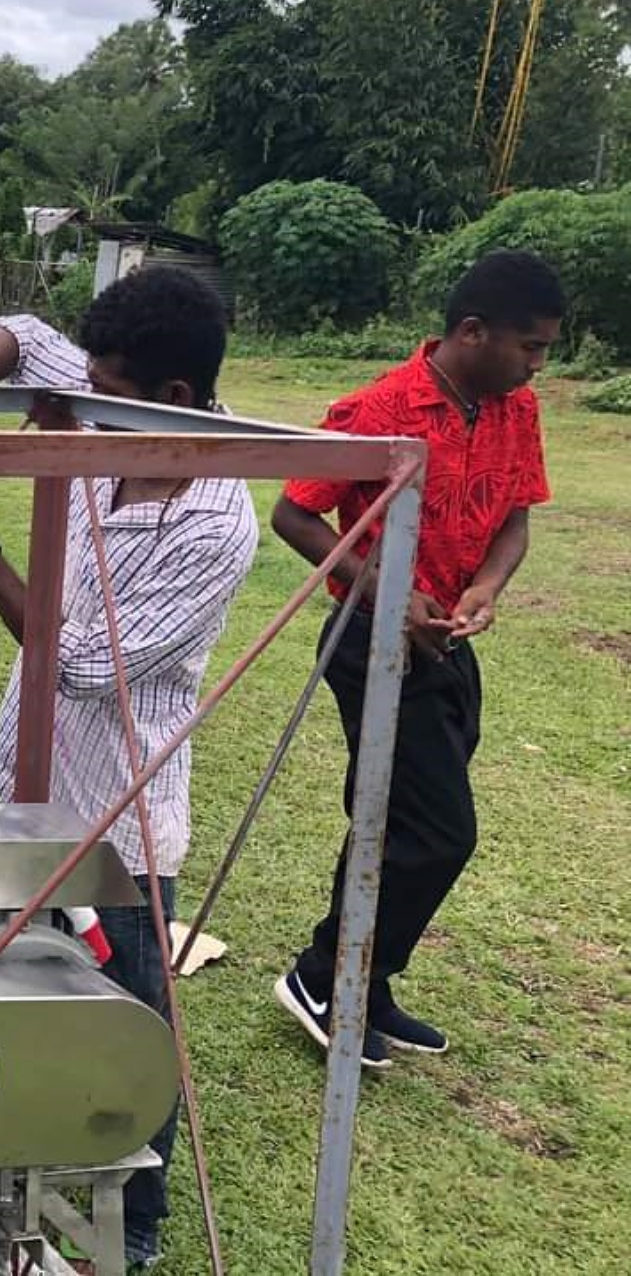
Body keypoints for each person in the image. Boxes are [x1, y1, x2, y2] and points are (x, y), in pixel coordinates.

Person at [0, 270, 259, 1274]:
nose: (87, 398)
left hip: (118, 820)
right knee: (18, 999)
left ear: (173, 398)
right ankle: (9, 1191)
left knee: (127, 1036)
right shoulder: (117, 407)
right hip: (28, 780)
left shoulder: (214, 523)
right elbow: (16, 333)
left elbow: (83, 666)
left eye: (103, 389)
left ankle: (132, 1228)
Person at [273, 250, 564, 1068]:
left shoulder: (516, 409)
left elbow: (516, 519)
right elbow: (294, 515)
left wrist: (487, 589)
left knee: (398, 823)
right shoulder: (379, 408)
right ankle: (322, 976)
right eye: (530, 347)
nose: (537, 366)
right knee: (439, 833)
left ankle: (362, 983)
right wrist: (389, 592)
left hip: (448, 646)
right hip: (374, 643)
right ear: (473, 332)